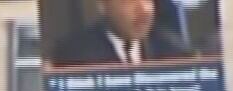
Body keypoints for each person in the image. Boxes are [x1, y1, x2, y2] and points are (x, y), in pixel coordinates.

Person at [51, 0, 193, 67]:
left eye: (148, 0)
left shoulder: (175, 51)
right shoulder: (74, 55)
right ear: (103, 5)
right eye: (130, 1)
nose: (145, 10)